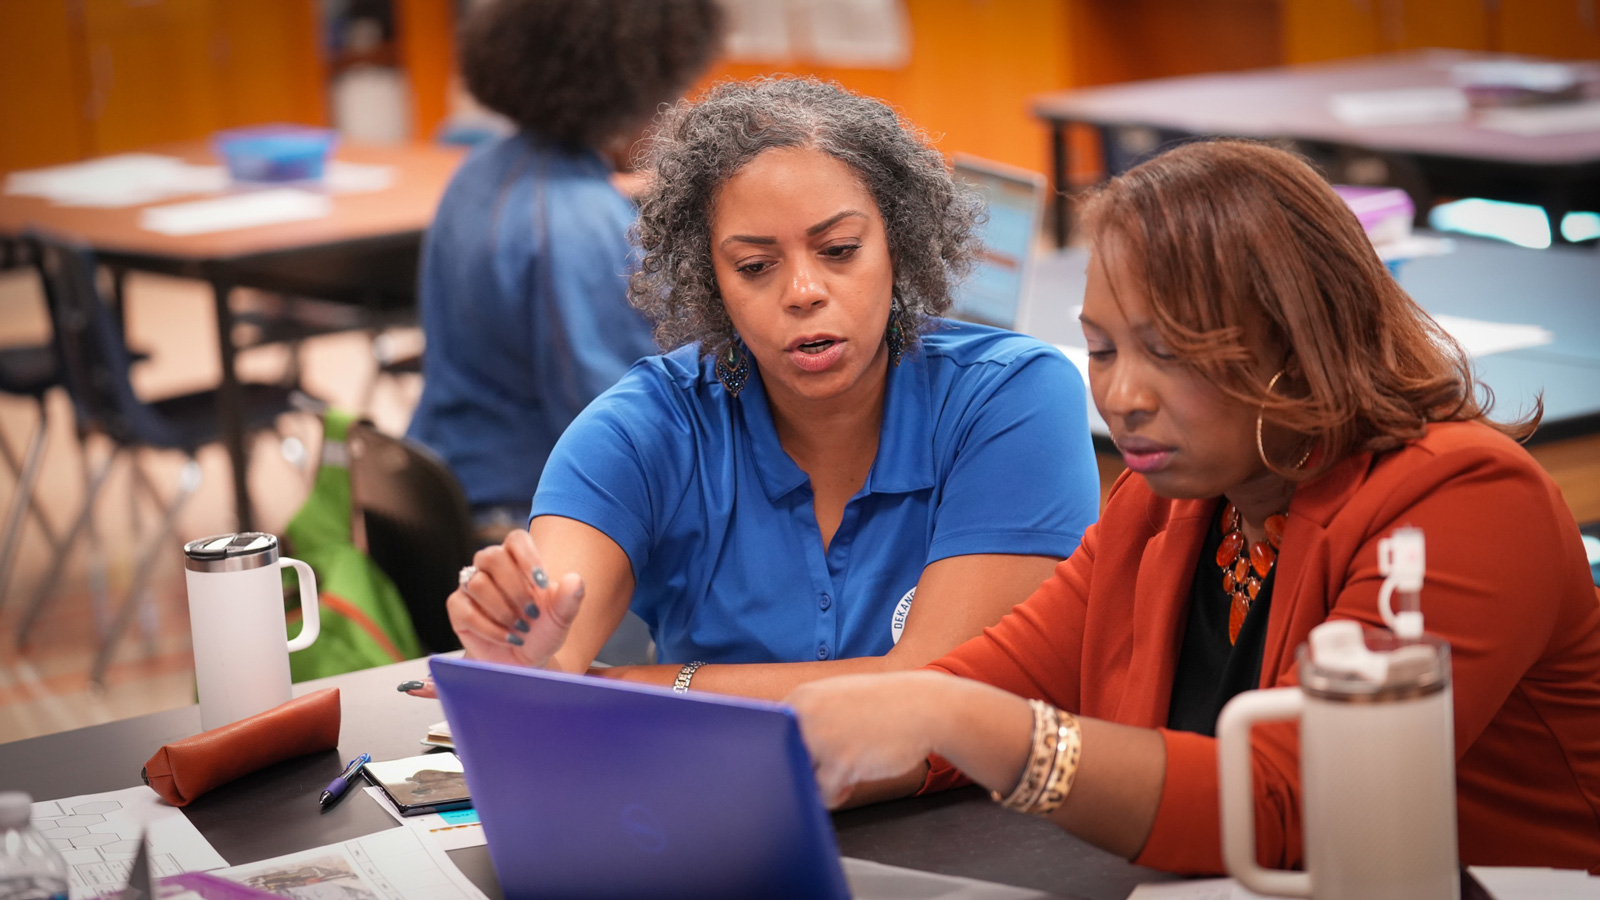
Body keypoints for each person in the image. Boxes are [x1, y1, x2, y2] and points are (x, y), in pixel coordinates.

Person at [785, 140, 1600, 872]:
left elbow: (1302, 807)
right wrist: (817, 755)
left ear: (1297, 344)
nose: (1122, 397)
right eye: (1102, 350)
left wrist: (956, 719)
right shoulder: (1163, 503)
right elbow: (990, 686)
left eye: (1170, 353)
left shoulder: (1464, 502)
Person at [420, 78, 1101, 701]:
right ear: (709, 280)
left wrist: (649, 685)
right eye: (754, 265)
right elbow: (543, 664)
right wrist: (517, 653)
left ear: (899, 243)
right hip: (714, 823)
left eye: (839, 251)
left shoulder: (1012, 399)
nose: (804, 292)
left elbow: (954, 691)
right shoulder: (641, 430)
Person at [405, 0, 724, 540]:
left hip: (442, 491)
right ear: (630, 87)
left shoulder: (481, 170)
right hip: (525, 522)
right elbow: (628, 423)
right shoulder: (576, 223)